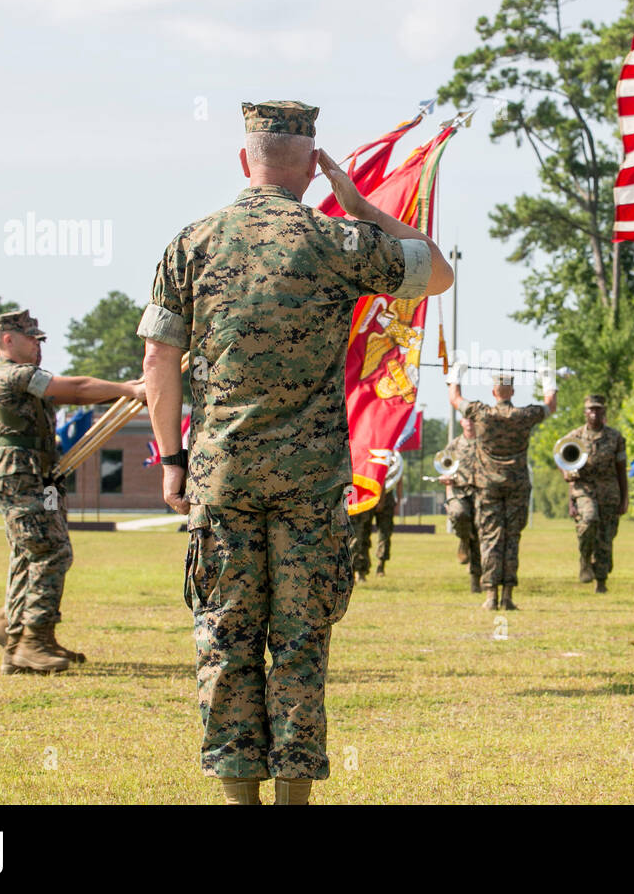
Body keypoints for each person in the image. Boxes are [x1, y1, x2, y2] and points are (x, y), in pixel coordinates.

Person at [138, 100, 452, 805]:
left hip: (222, 475)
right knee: (301, 640)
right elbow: (437, 274)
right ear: (313, 167)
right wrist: (360, 204)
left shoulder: (192, 241)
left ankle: (238, 800)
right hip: (310, 482)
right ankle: (292, 801)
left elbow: (159, 357)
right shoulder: (339, 241)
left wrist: (171, 463)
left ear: (243, 160)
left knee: (226, 636)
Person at [0, 309, 145, 675]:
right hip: (21, 473)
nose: (38, 346)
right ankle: (30, 641)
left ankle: (18, 629)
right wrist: (129, 390)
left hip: (36, 473)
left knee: (31, 552)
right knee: (50, 551)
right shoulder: (14, 376)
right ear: (8, 339)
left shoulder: (21, 376)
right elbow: (77, 390)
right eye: (31, 339)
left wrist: (131, 389)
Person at [447, 368, 556, 610]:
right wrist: (549, 379)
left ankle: (490, 596)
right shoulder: (523, 415)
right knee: (511, 539)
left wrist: (455, 375)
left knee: (490, 539)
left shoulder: (481, 413)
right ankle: (507, 597)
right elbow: (551, 405)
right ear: (512, 392)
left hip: (488, 489)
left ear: (494, 391)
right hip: (517, 488)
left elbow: (454, 399)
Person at [560, 394, 628, 593]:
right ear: (585, 412)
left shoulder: (616, 438)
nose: (594, 413)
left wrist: (625, 498)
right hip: (584, 490)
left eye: (598, 409)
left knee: (606, 537)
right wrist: (570, 499)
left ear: (603, 411)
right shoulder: (574, 438)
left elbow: (621, 469)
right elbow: (563, 462)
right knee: (588, 522)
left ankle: (601, 580)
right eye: (591, 409)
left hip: (609, 491)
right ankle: (584, 559)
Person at [438, 414, 483, 591]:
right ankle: (463, 539)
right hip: (459, 492)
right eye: (467, 419)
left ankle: (476, 579)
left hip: (481, 492)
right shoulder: (455, 445)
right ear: (461, 422)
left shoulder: (483, 443)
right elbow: (445, 467)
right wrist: (447, 485)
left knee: (480, 532)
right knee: (459, 514)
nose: (470, 422)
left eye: (473, 419)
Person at [349, 480, 400, 581]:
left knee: (382, 535)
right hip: (361, 496)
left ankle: (379, 566)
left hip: (375, 493)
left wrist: (381, 499)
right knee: (361, 535)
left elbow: (381, 475)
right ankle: (359, 571)